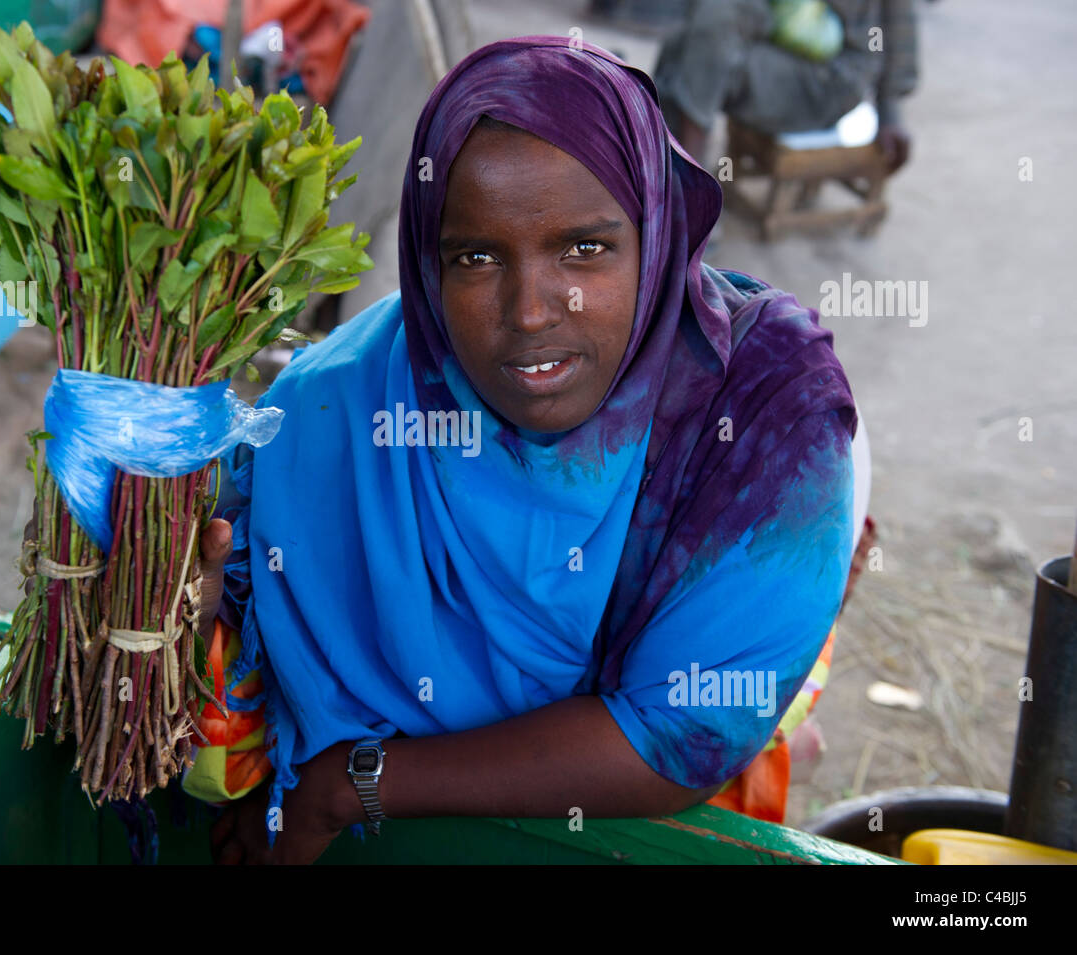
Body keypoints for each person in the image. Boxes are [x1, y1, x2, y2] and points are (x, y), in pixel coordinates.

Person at [197, 36, 867, 864]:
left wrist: (353, 782)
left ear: (656, 237)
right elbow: (228, 605)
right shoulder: (344, 401)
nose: (532, 311)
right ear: (426, 268)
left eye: (584, 248)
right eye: (476, 257)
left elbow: (676, 736)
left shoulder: (767, 414)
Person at [652, 0, 918, 175]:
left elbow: (897, 27)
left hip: (831, 78)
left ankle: (691, 189)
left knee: (701, 57)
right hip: (777, 45)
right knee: (681, 45)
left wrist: (891, 111)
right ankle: (669, 171)